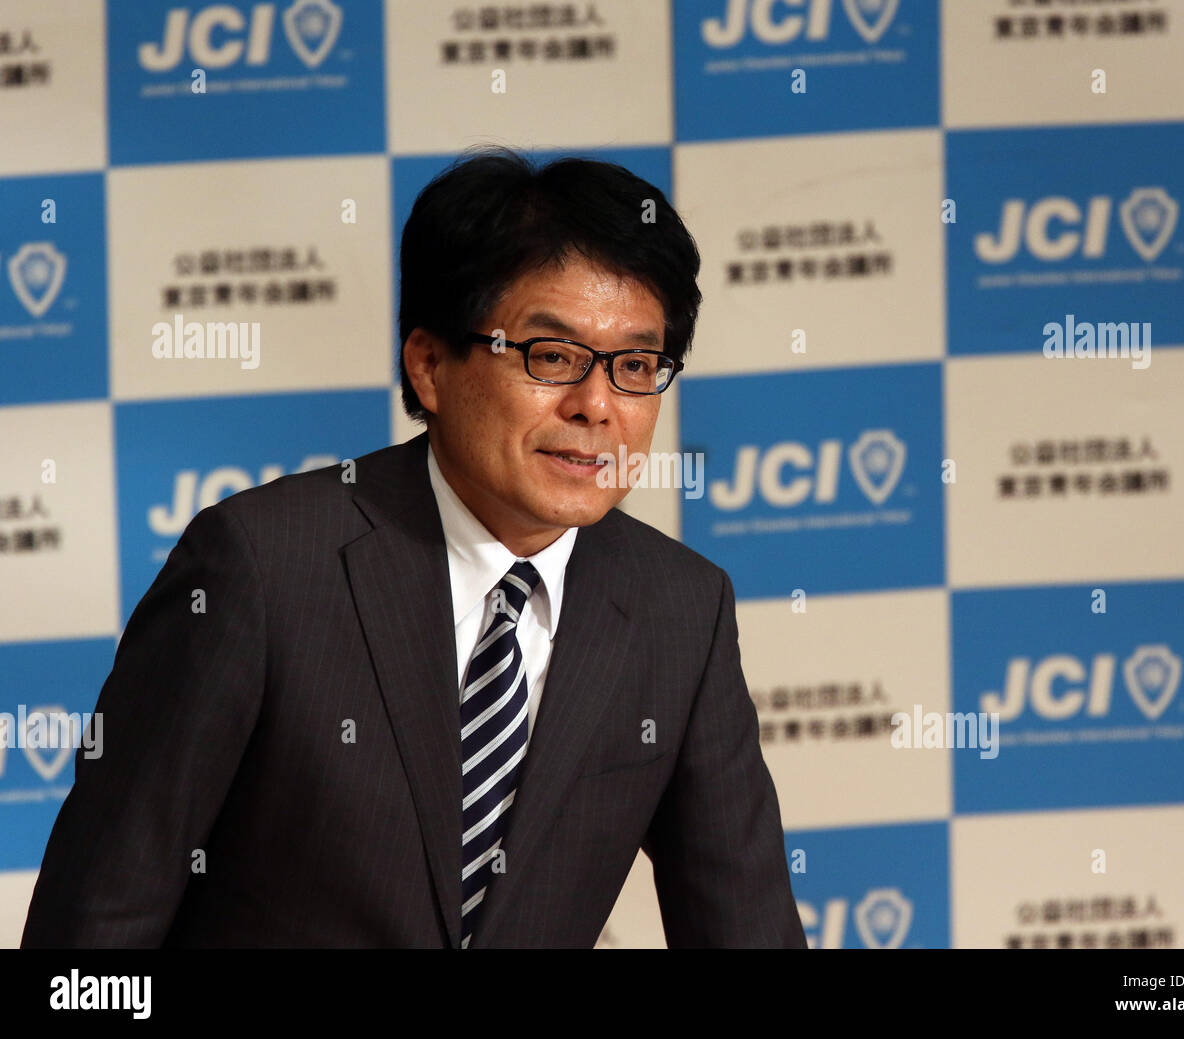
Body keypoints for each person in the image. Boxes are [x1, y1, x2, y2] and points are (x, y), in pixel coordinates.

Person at [21, 148, 806, 949]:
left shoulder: (680, 608)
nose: (597, 406)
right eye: (553, 356)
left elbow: (748, 928)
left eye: (636, 365)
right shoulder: (261, 568)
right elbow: (92, 932)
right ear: (430, 364)